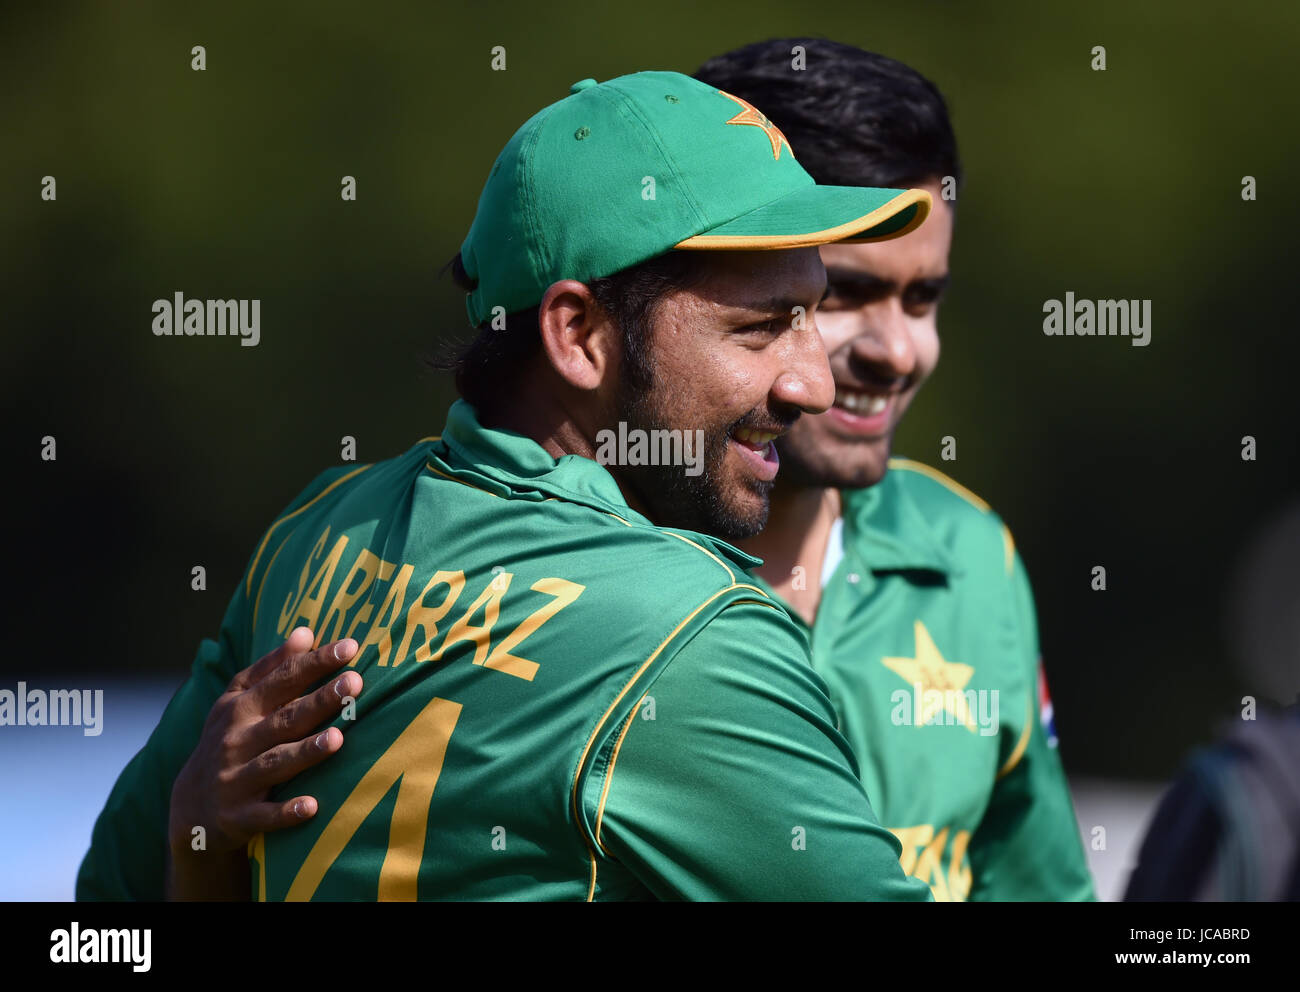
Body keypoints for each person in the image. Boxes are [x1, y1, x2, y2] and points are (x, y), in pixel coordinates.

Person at [78, 70, 935, 901]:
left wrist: (193, 847)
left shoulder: (319, 525)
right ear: (578, 334)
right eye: (757, 330)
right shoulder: (690, 635)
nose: (812, 385)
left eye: (810, 315)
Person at [695, 38, 1095, 900]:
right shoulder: (567, 570)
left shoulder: (968, 555)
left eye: (923, 299)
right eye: (839, 293)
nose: (899, 350)